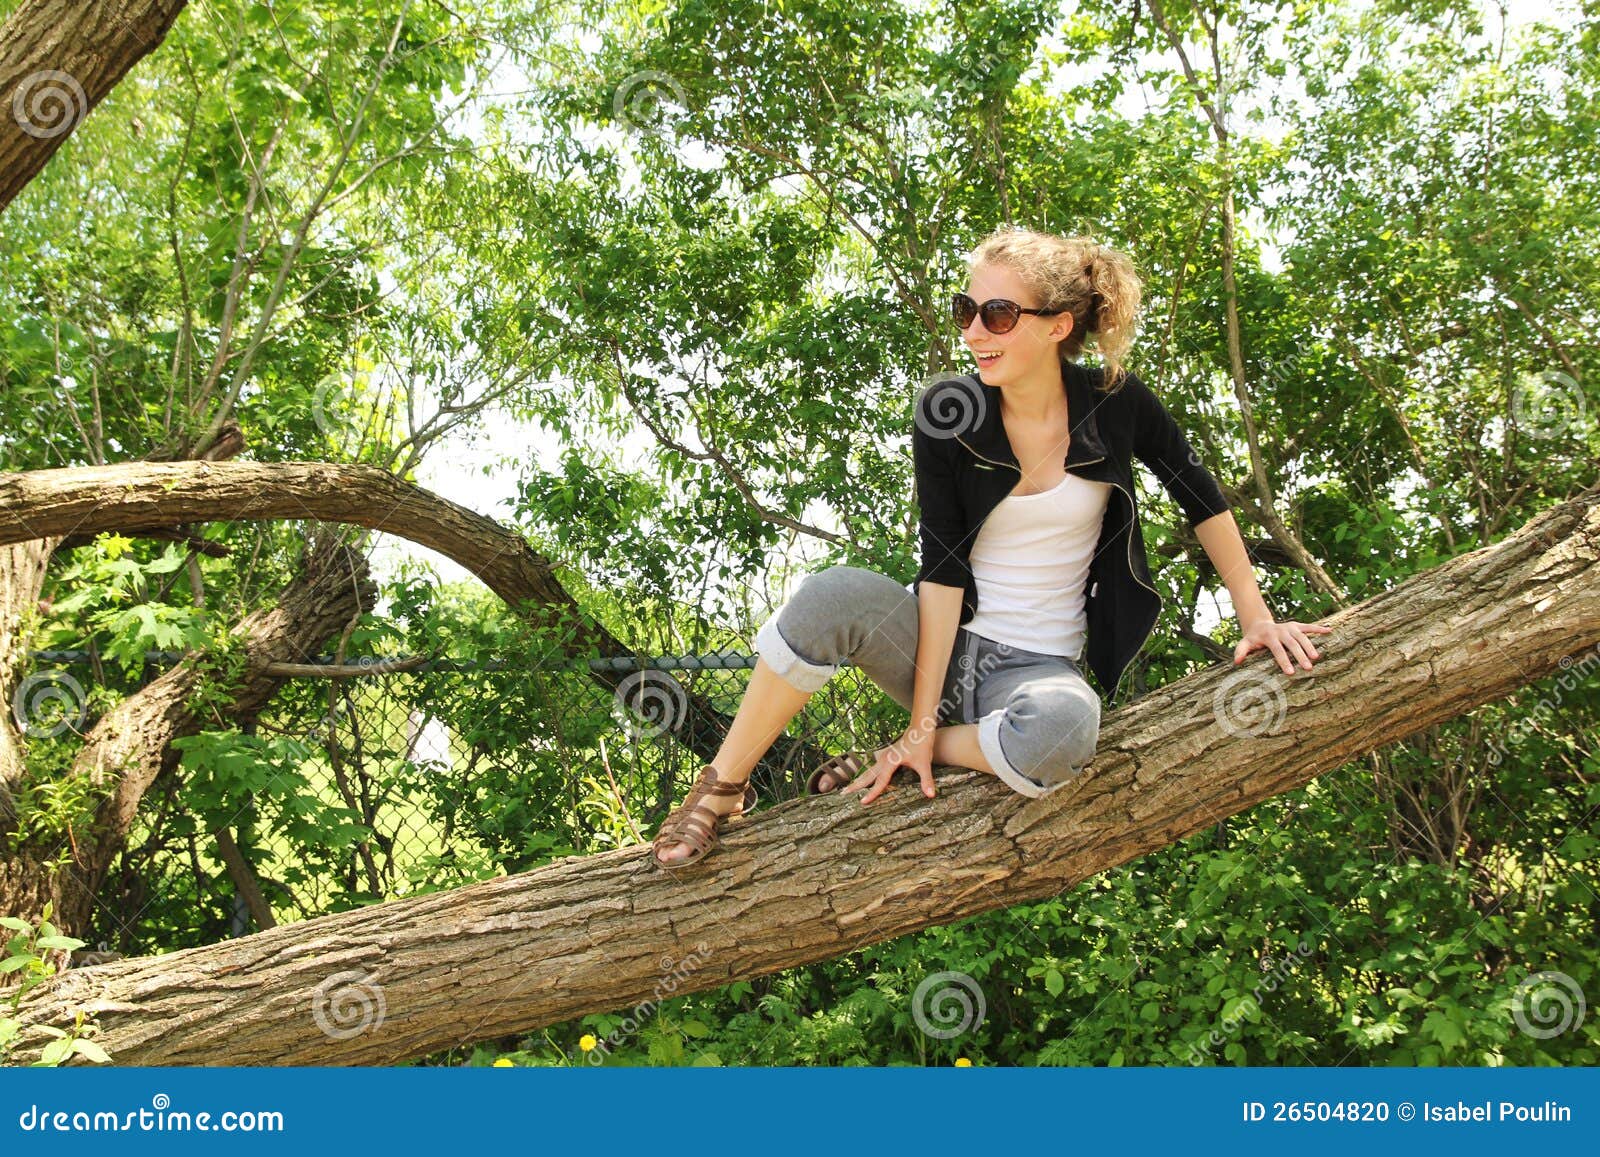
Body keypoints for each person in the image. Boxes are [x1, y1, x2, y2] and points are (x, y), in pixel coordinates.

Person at [652, 226, 1331, 868]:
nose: (975, 331)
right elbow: (942, 568)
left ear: (1058, 325)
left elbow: (1201, 497)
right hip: (936, 650)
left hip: (1033, 672)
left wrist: (1255, 616)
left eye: (998, 314)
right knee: (834, 593)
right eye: (966, 310)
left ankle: (918, 749)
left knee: (1067, 728)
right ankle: (721, 786)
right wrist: (922, 715)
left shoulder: (1118, 403)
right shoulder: (951, 414)